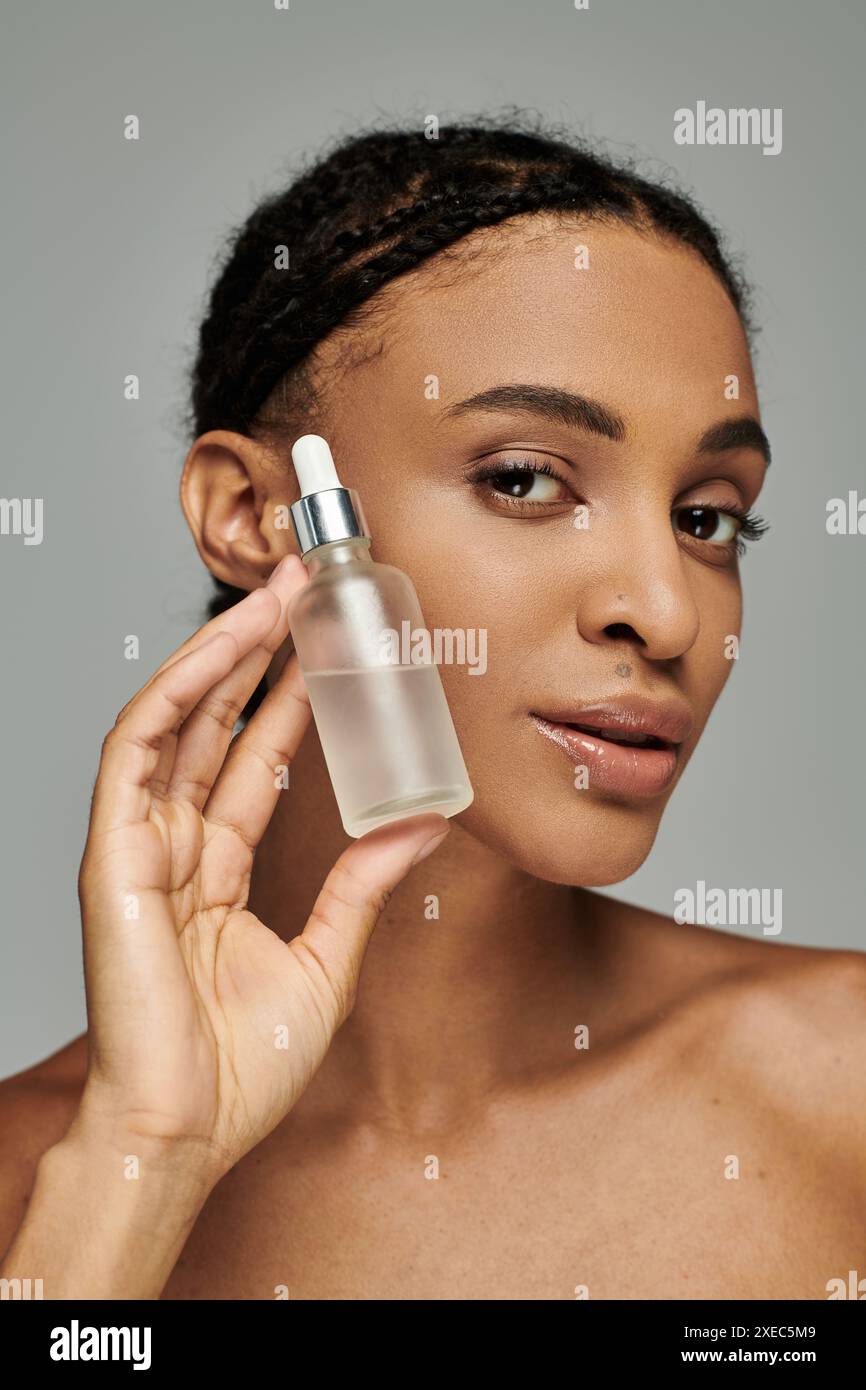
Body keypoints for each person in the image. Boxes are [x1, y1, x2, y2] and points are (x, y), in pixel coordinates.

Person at [2, 114, 863, 1301]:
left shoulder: (843, 1086)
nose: (666, 613)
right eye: (522, 478)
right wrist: (142, 1165)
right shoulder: (37, 1194)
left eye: (706, 515)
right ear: (256, 516)